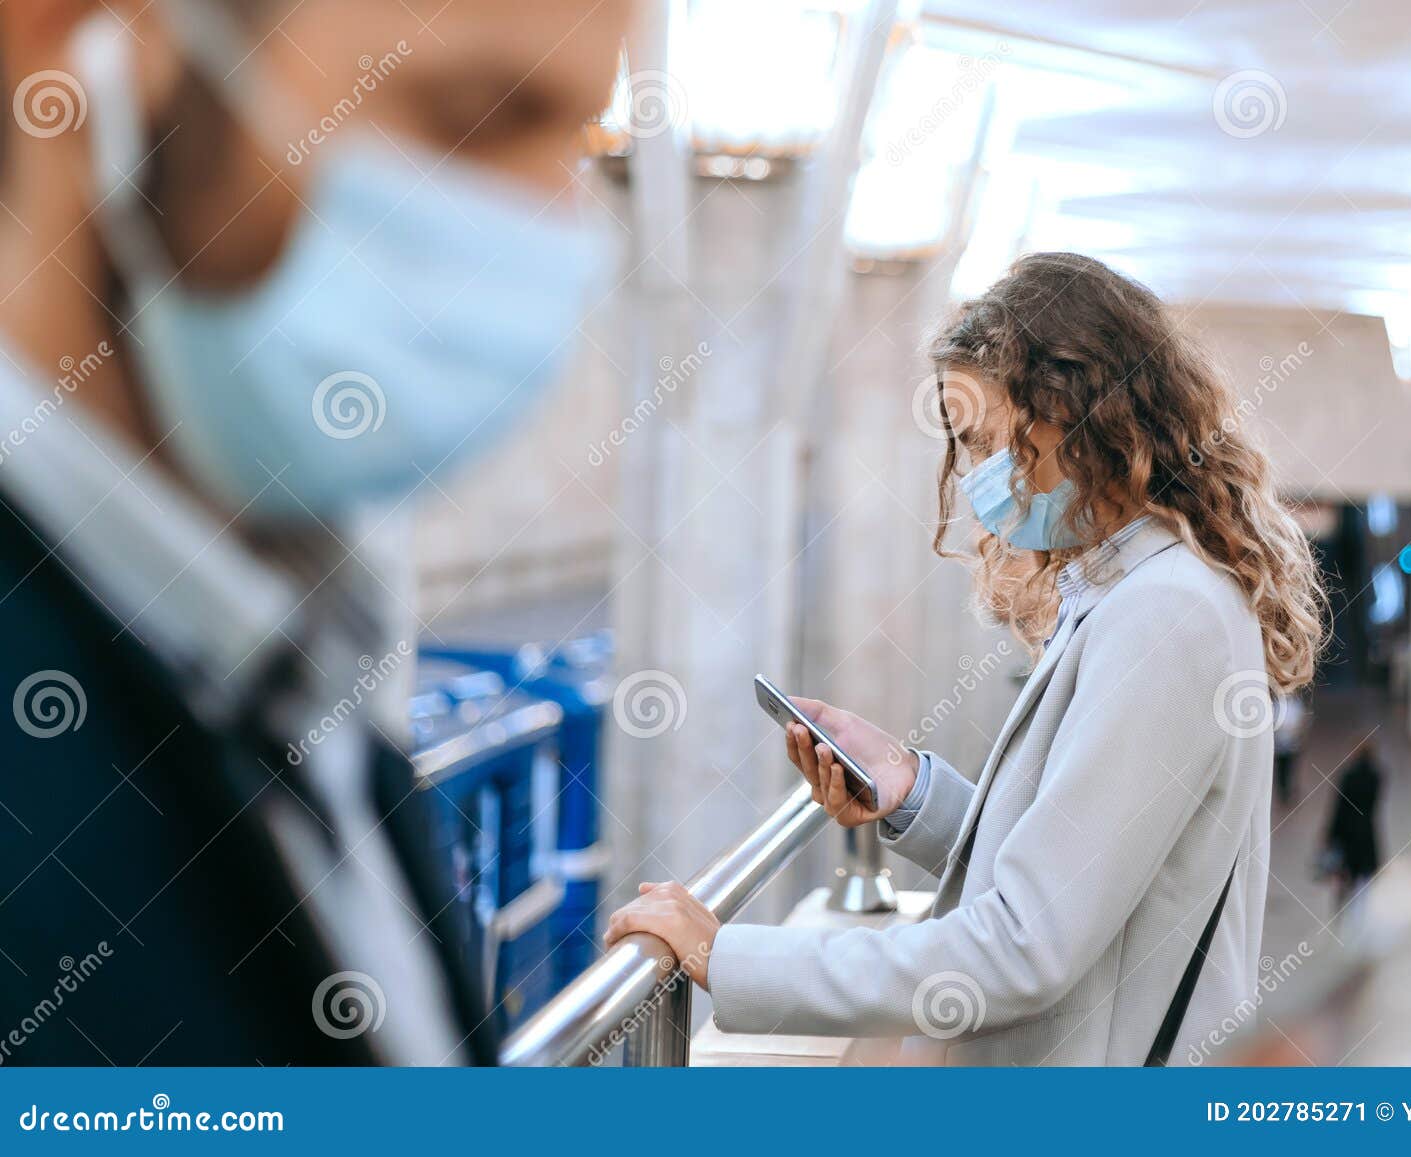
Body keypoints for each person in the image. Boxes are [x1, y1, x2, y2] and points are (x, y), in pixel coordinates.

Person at [0, 0, 627, 1064]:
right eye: (470, 115)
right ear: (78, 42)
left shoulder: (309, 678)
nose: (551, 231)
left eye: (576, 142)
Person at [605, 253, 1325, 1065]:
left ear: (1076, 413)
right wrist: (913, 791)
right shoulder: (1141, 587)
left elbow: (1022, 945)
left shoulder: (1165, 612)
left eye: (988, 438)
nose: (981, 472)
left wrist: (725, 956)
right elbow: (1078, 866)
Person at [1316, 741, 1384, 912]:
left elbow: (1339, 808)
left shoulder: (1349, 776)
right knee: (1364, 872)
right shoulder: (1377, 776)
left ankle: (1345, 903)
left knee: (1346, 870)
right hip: (1367, 830)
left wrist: (1330, 834)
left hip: (1347, 832)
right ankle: (1363, 906)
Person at [1272, 689, 1309, 801]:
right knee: (1281, 769)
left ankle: (1290, 789)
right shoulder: (1277, 706)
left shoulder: (1297, 705)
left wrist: (1298, 732)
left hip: (1293, 742)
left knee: (1291, 767)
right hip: (1280, 743)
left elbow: (1302, 720)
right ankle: (1283, 791)